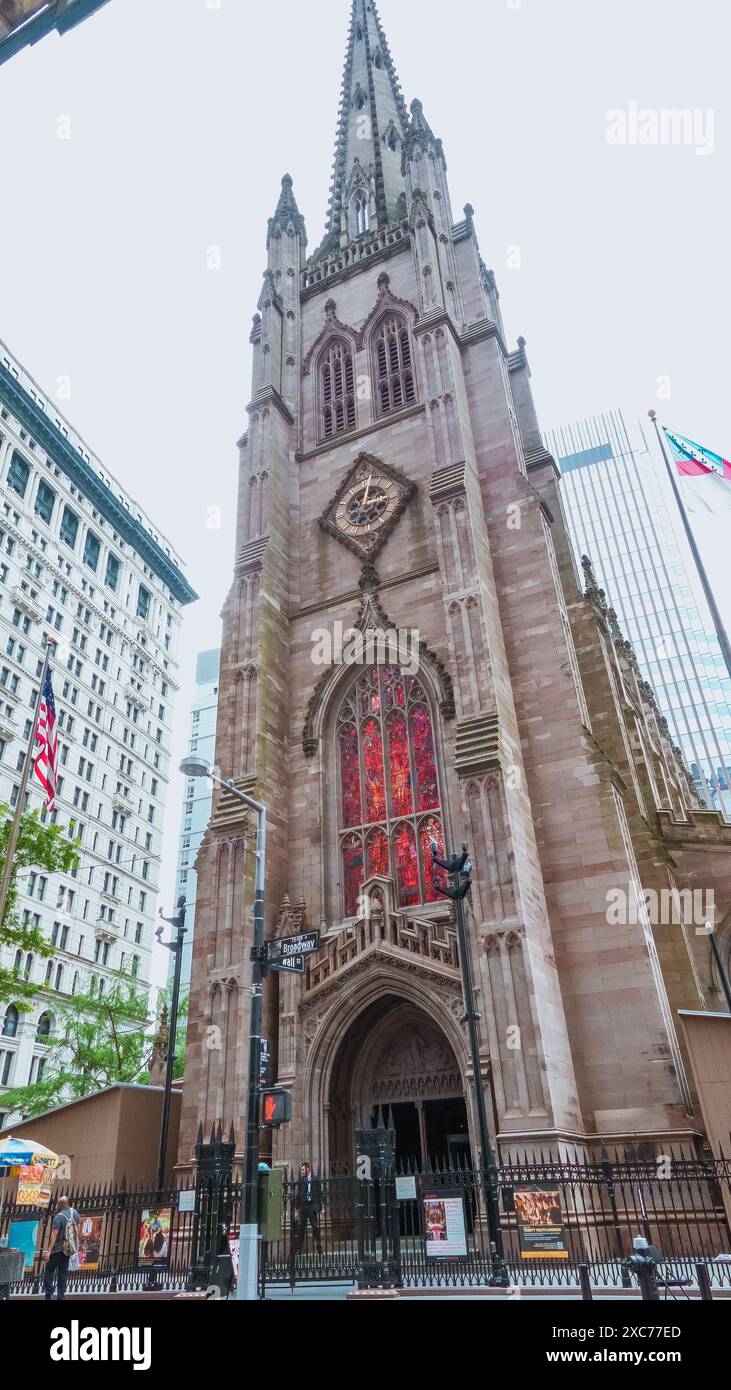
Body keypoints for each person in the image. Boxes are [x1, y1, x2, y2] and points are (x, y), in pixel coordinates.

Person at [43, 1196, 80, 1301]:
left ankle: (48, 1294)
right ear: (68, 1203)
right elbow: (77, 1227)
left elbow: (54, 1234)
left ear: (60, 1205)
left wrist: (49, 1250)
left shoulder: (59, 1217)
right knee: (62, 1273)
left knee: (49, 1270)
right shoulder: (75, 1214)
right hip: (68, 1249)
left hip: (57, 1249)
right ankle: (61, 1296)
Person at [293, 1162, 323, 1257]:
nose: (301, 1171)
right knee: (301, 1228)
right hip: (303, 1206)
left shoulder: (315, 1179)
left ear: (308, 1169)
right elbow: (299, 1195)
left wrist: (322, 1207)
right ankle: (299, 1249)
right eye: (301, 1170)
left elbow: (319, 1194)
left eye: (303, 1170)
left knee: (315, 1226)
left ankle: (318, 1246)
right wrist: (296, 1209)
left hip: (312, 1205)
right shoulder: (301, 1180)